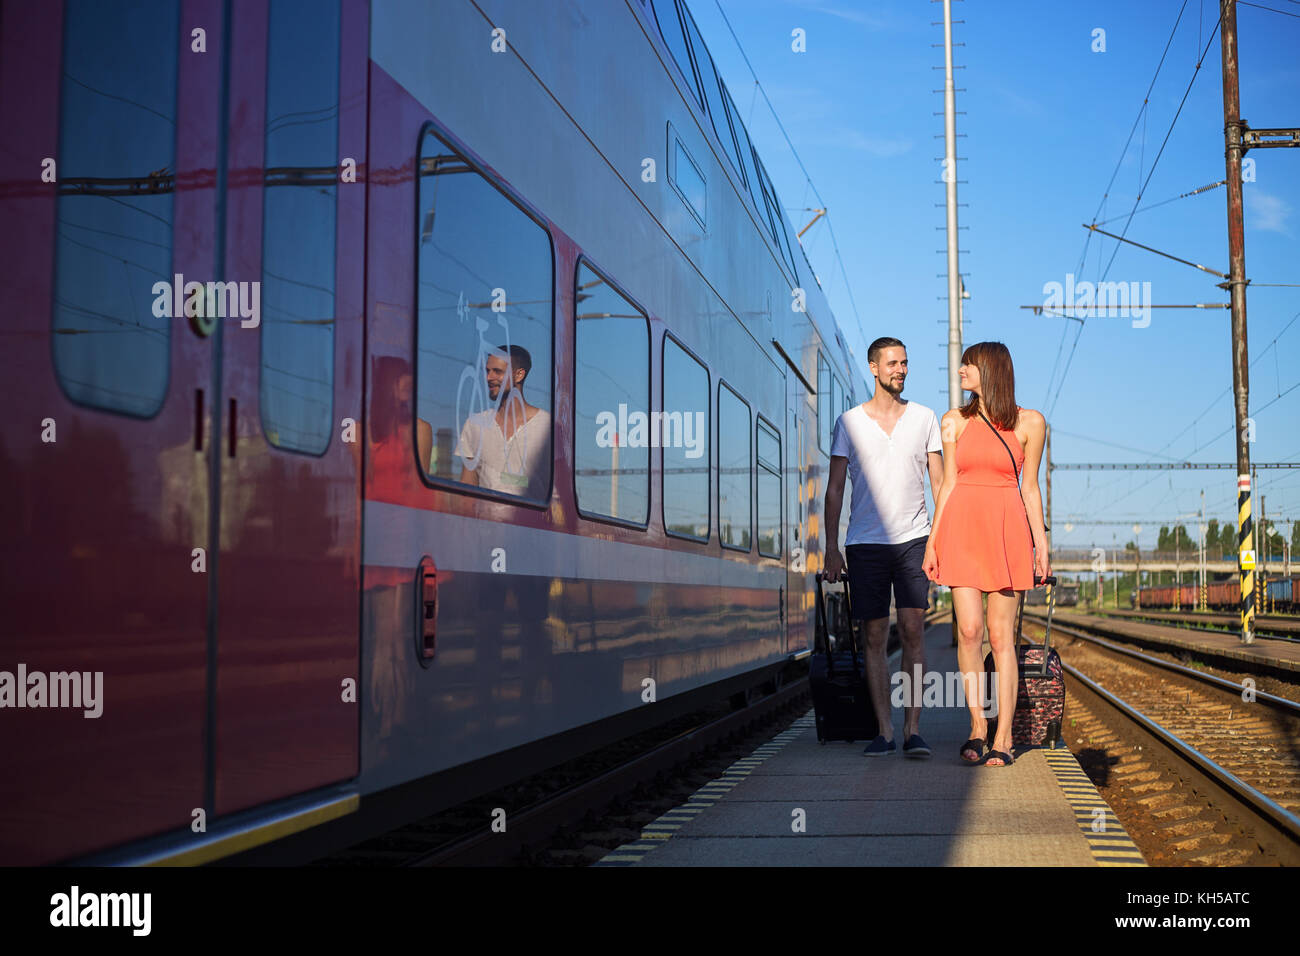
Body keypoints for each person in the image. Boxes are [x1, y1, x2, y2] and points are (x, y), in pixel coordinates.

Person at [922, 341, 1049, 768]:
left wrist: (1042, 548)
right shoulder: (953, 421)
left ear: (991, 370)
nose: (960, 370)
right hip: (962, 530)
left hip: (1008, 530)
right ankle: (977, 725)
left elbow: (1030, 488)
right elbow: (948, 485)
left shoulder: (1031, 423)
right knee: (970, 631)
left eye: (968, 364)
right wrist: (932, 541)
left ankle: (1004, 734)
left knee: (1001, 636)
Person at [824, 337, 944, 757]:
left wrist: (941, 540)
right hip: (864, 544)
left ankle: (913, 730)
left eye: (905, 363)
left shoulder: (925, 418)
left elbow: (940, 485)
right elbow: (835, 489)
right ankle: (884, 730)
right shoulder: (849, 423)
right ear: (873, 368)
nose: (901, 370)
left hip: (914, 540)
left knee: (913, 631)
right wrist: (831, 548)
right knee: (874, 635)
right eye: (893, 363)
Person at [456, 344, 551, 499]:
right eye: (487, 371)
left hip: (531, 522)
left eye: (497, 371)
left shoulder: (548, 427)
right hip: (486, 521)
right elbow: (467, 487)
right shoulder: (475, 424)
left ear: (519, 375)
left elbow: (558, 494)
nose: (489, 378)